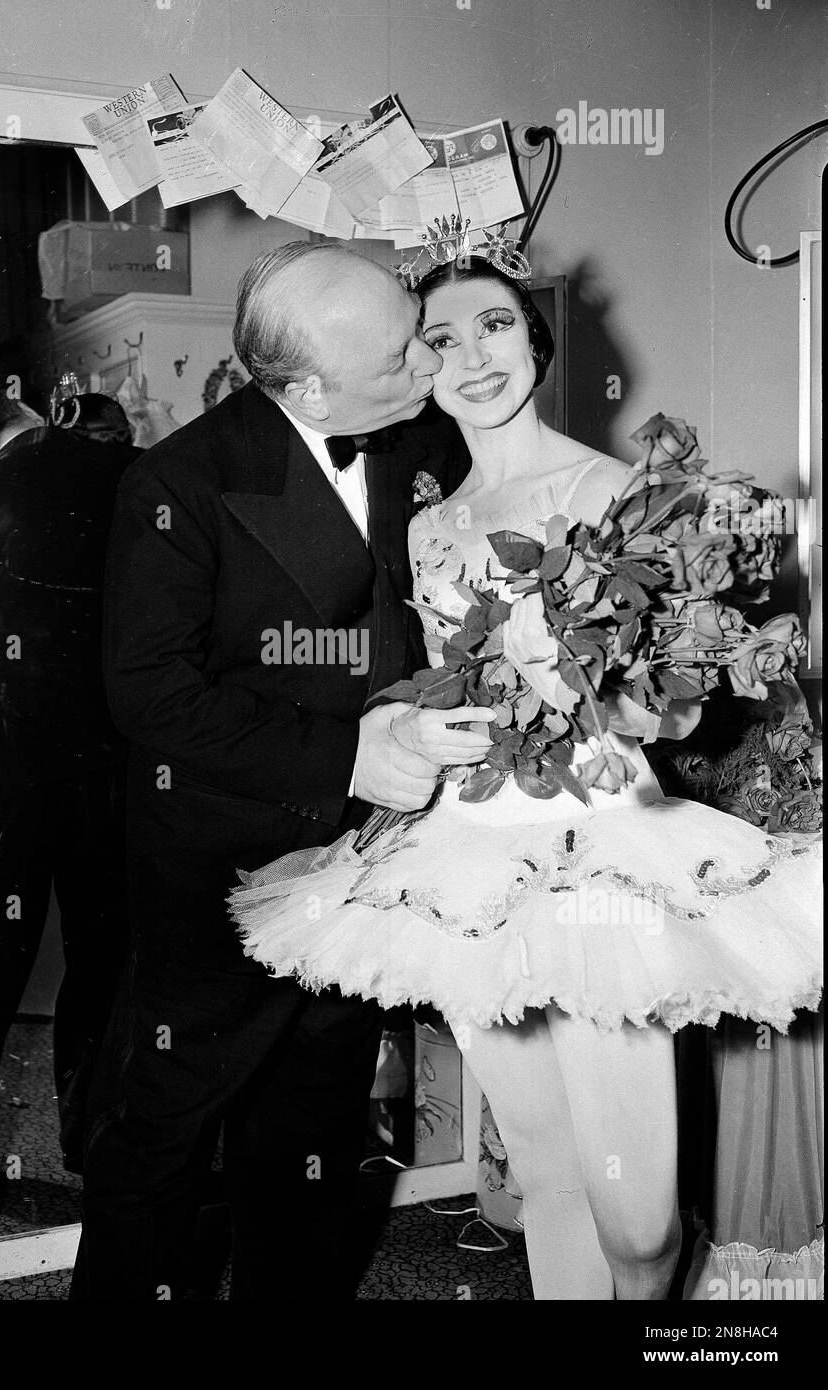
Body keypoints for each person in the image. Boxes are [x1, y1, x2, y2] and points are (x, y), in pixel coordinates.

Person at [231, 252, 823, 1300]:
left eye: (495, 324)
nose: (473, 356)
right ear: (413, 363)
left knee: (639, 1221)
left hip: (603, 847)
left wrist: (622, 689)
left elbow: (677, 705)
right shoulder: (426, 526)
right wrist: (412, 723)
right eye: (441, 338)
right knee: (545, 1172)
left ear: (535, 338)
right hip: (466, 858)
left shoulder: (620, 492)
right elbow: (429, 685)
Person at [71, 241, 497, 1302]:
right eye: (403, 355)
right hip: (221, 861)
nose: (430, 369)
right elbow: (150, 695)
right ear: (305, 385)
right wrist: (350, 751)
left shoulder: (424, 436)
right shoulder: (178, 481)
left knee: (315, 1124)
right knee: (165, 1128)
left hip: (365, 854)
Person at [0, 390, 139, 1172]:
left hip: (14, 761)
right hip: (119, 758)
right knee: (104, 957)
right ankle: (95, 1144)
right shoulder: (131, 473)